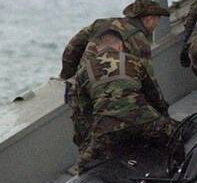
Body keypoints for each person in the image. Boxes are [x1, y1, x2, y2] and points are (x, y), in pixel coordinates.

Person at [69, 30, 179, 170]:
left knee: (85, 167)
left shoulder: (82, 73)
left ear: (97, 48)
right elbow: (155, 96)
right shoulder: (133, 61)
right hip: (144, 121)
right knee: (181, 134)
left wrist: (87, 144)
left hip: (107, 130)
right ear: (120, 46)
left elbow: (83, 114)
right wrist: (164, 118)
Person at [60, 0, 169, 86]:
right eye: (157, 20)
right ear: (149, 19)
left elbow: (72, 48)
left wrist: (67, 76)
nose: (157, 25)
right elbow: (148, 79)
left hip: (82, 80)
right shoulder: (140, 42)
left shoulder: (101, 23)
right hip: (105, 88)